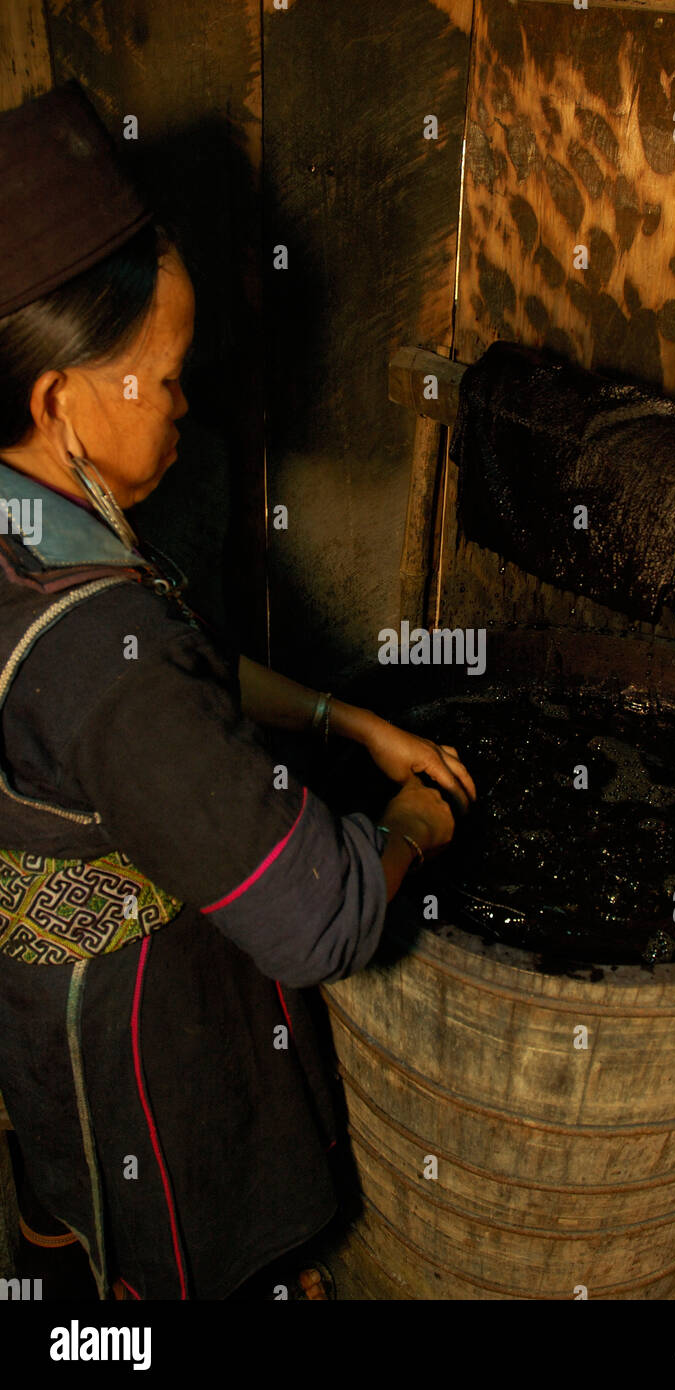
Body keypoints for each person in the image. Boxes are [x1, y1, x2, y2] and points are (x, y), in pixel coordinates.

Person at [0, 81, 475, 1300]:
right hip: (132, 1022)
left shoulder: (29, 521)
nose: (183, 404)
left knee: (59, 1189)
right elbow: (324, 916)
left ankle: (60, 1265)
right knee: (170, 1223)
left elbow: (177, 649)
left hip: (28, 976)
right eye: (161, 379)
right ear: (61, 402)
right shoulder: (96, 653)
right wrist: (420, 824)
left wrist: (341, 718)